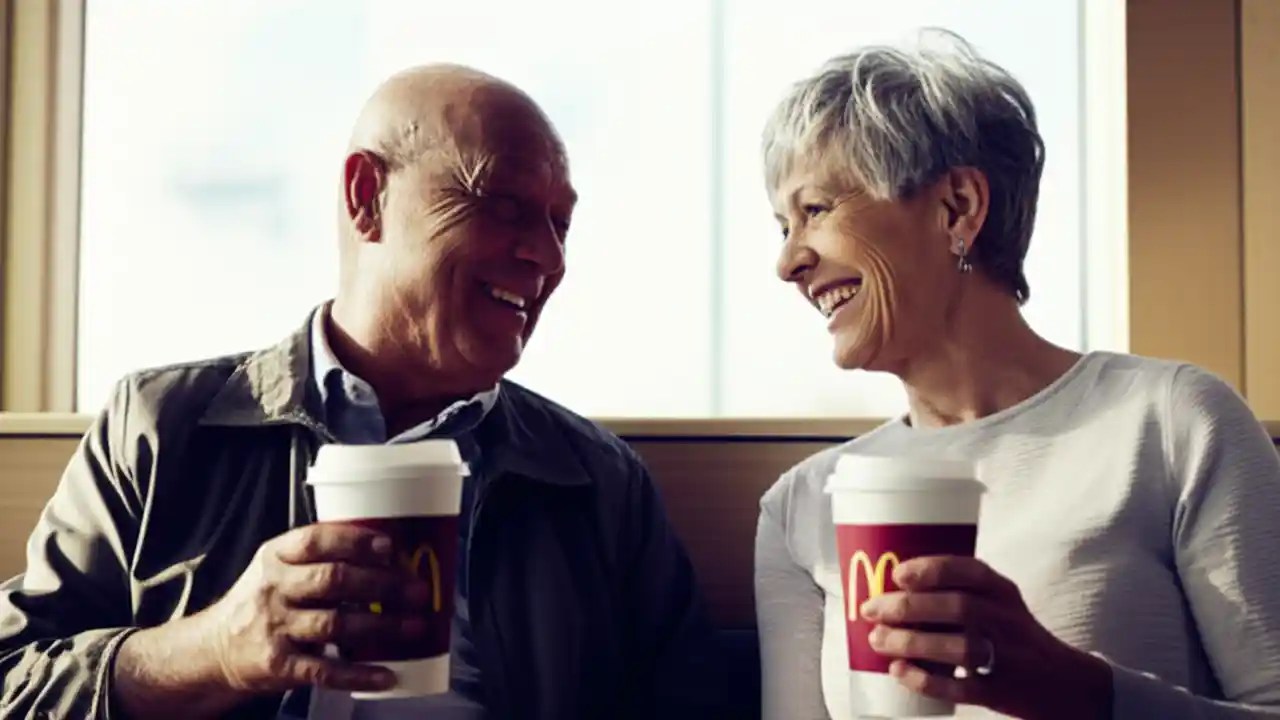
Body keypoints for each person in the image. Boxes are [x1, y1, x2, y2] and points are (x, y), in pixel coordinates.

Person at [0, 64, 727, 720]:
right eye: (502, 204)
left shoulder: (596, 483)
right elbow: (12, 683)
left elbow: (692, 701)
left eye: (559, 222)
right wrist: (214, 650)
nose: (548, 255)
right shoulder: (161, 429)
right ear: (366, 196)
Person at [753, 31, 1280, 720]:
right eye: (782, 225)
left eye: (816, 210)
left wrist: (1071, 689)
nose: (789, 261)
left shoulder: (1174, 423)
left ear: (959, 208)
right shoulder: (803, 506)